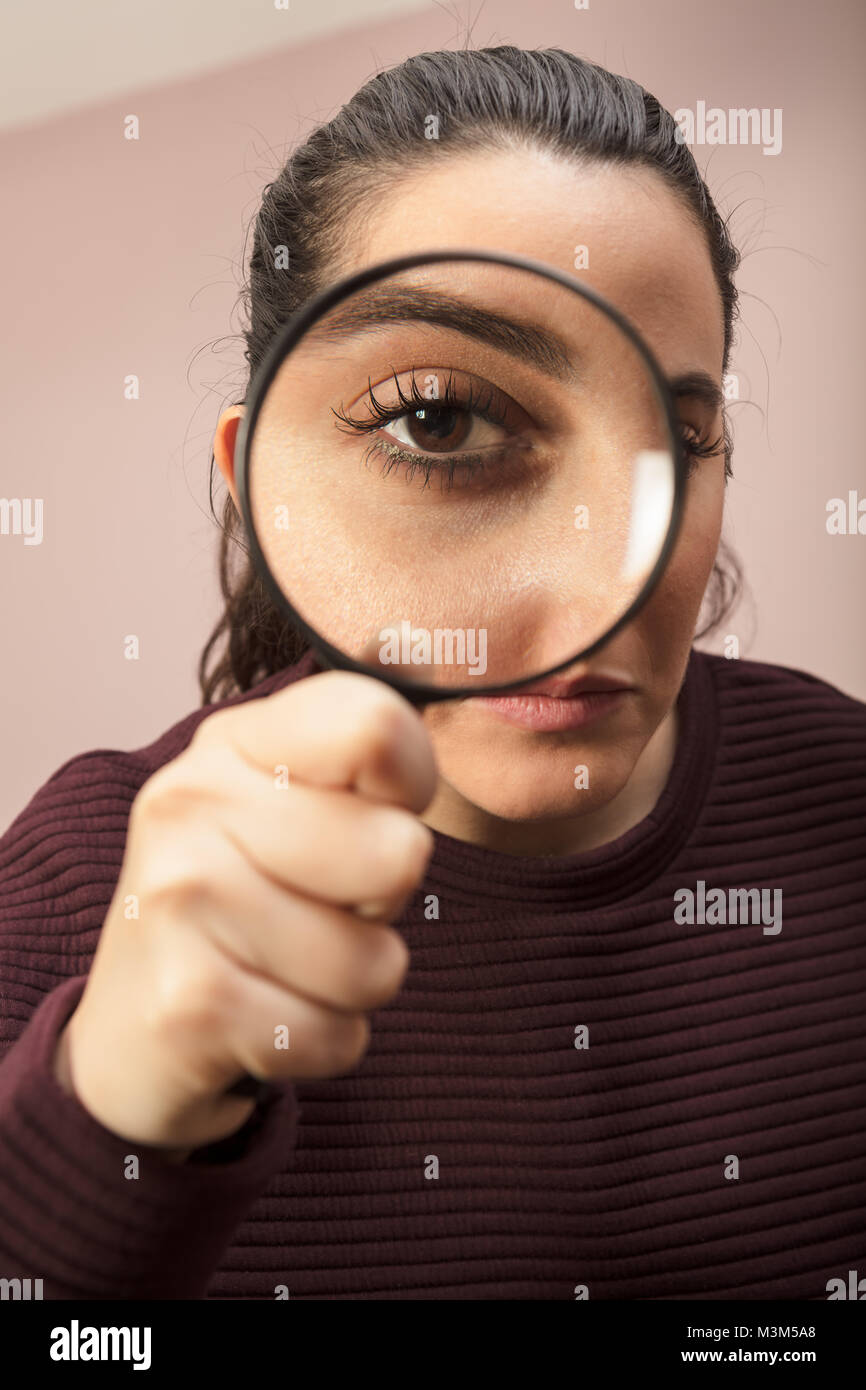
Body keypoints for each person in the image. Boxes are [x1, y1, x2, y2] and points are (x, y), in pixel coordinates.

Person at [0, 46, 863, 1302]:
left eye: (677, 444)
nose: (587, 602)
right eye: (440, 419)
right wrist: (100, 1131)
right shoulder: (74, 885)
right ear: (262, 482)